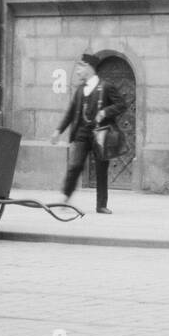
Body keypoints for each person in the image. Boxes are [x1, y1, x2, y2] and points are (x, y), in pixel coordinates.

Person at [51, 53, 125, 215]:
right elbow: (71, 113)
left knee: (101, 169)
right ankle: (65, 197)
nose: (78, 70)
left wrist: (105, 112)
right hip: (81, 133)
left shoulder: (105, 86)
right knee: (75, 166)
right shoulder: (80, 90)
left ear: (90, 68)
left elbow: (121, 104)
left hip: (101, 133)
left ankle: (101, 205)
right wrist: (59, 130)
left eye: (80, 67)